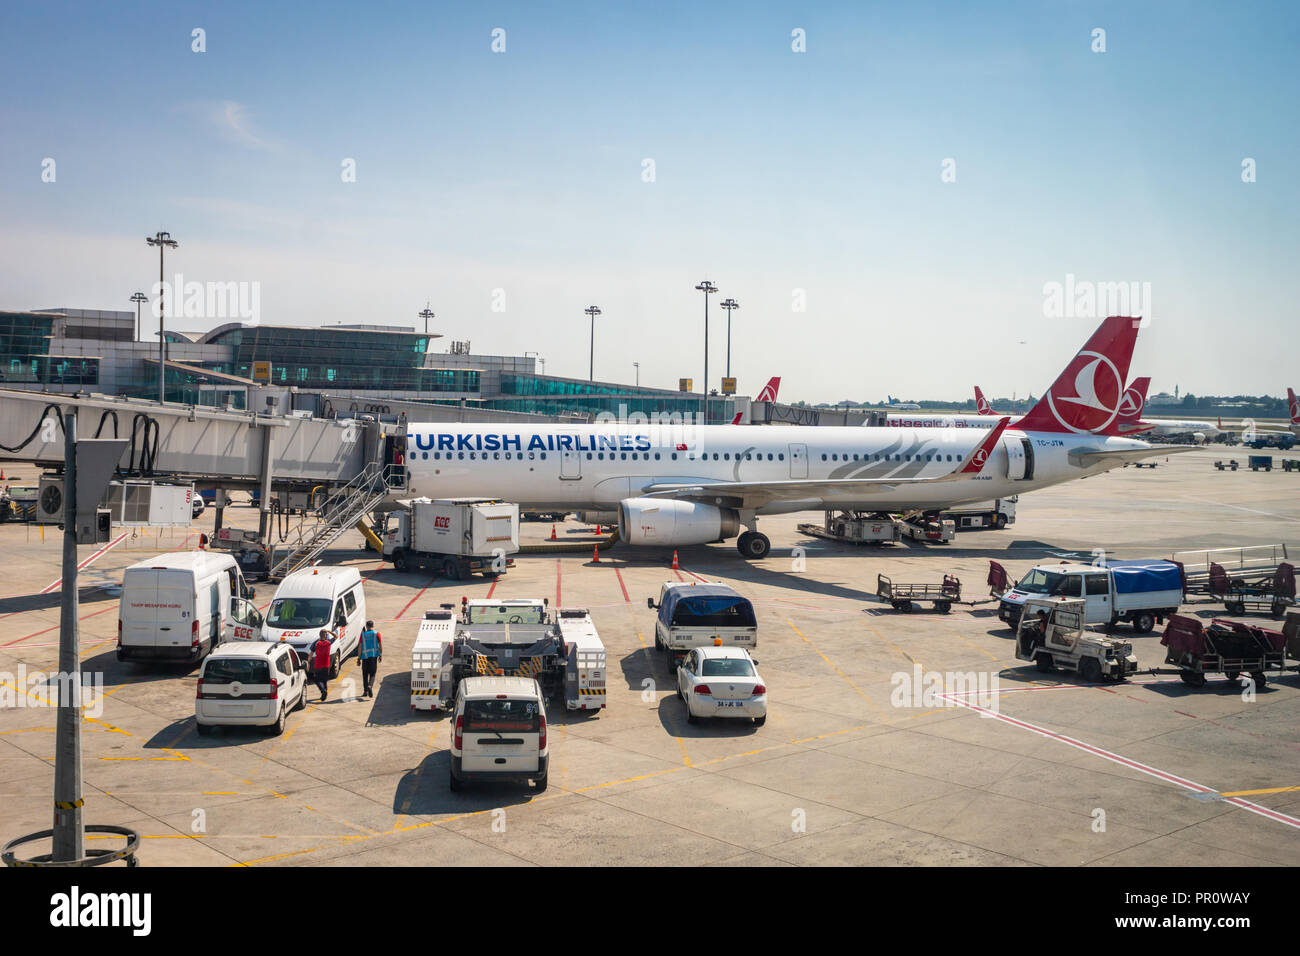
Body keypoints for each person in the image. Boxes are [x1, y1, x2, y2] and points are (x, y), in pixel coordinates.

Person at [357, 620, 383, 698]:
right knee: (372, 674)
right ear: (373, 626)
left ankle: (365, 691)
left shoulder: (363, 635)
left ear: (366, 626)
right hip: (373, 657)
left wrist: (358, 658)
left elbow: (360, 647)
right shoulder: (377, 634)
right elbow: (380, 645)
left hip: (365, 657)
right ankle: (370, 686)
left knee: (365, 675)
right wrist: (380, 655)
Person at [310, 628, 334, 701]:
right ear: (325, 635)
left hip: (318, 664)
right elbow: (336, 636)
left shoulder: (316, 643)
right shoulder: (328, 642)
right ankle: (324, 694)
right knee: (324, 680)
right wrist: (329, 631)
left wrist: (308, 662)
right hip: (326, 664)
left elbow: (311, 653)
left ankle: (323, 691)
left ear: (320, 635)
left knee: (317, 679)